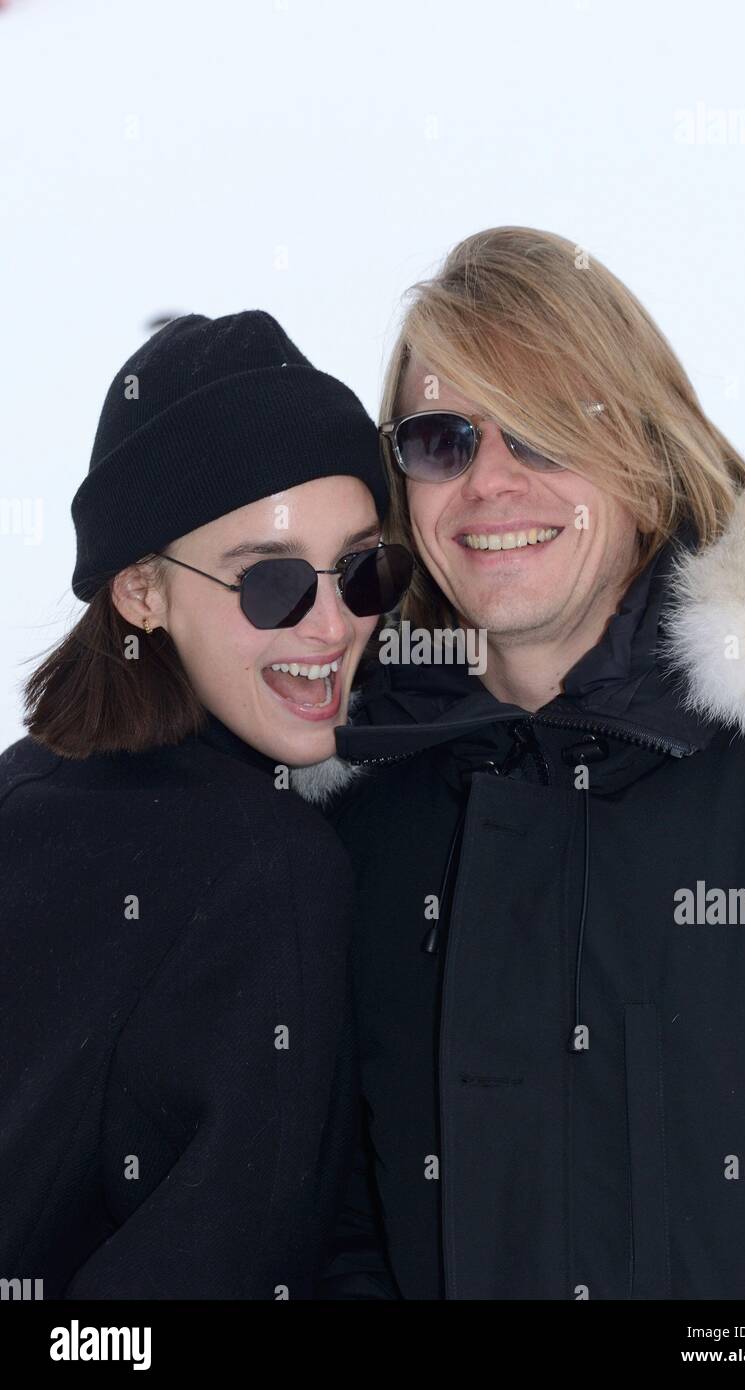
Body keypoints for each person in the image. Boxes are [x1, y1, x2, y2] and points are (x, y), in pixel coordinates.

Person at [322, 226, 745, 1300]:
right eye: (441, 440)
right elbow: (331, 1223)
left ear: (645, 449)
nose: (488, 483)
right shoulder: (354, 804)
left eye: (540, 432)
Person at [0, 310, 412, 1299]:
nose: (329, 623)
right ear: (140, 590)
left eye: (363, 568)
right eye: (266, 582)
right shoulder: (270, 866)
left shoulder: (24, 791)